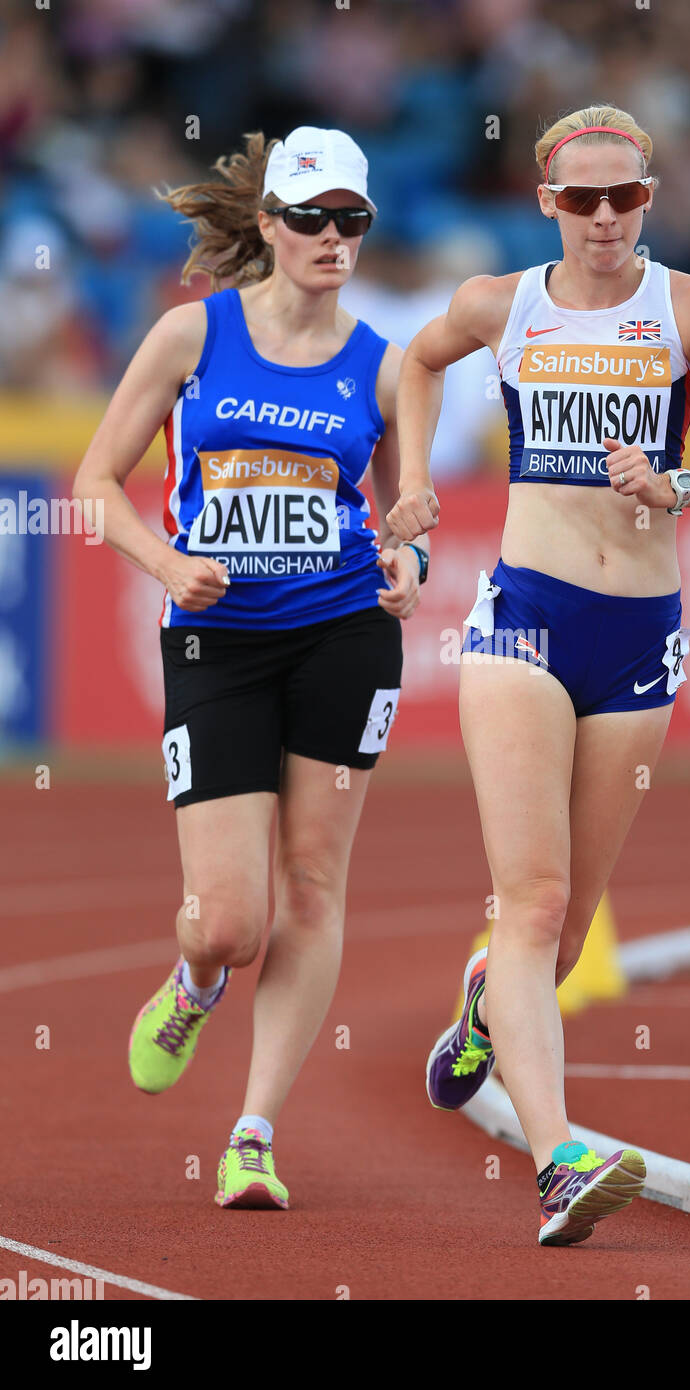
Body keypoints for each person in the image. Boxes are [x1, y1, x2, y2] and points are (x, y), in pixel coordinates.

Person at [387, 104, 690, 1246]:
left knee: (564, 933)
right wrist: (413, 486)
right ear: (547, 205)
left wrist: (679, 485)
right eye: (583, 198)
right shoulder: (500, 303)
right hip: (524, 620)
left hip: (637, 637)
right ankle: (558, 1155)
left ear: (649, 200)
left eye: (626, 196)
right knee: (528, 898)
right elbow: (409, 364)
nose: (606, 216)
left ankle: (484, 997)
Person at [73, 126, 427, 1209]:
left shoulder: (385, 362)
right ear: (268, 223)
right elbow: (95, 480)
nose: (331, 238)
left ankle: (254, 1131)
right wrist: (163, 563)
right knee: (229, 921)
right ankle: (190, 985)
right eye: (310, 218)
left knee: (312, 886)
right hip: (216, 641)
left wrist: (409, 557)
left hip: (341, 636)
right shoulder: (192, 336)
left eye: (350, 221)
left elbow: (401, 513)